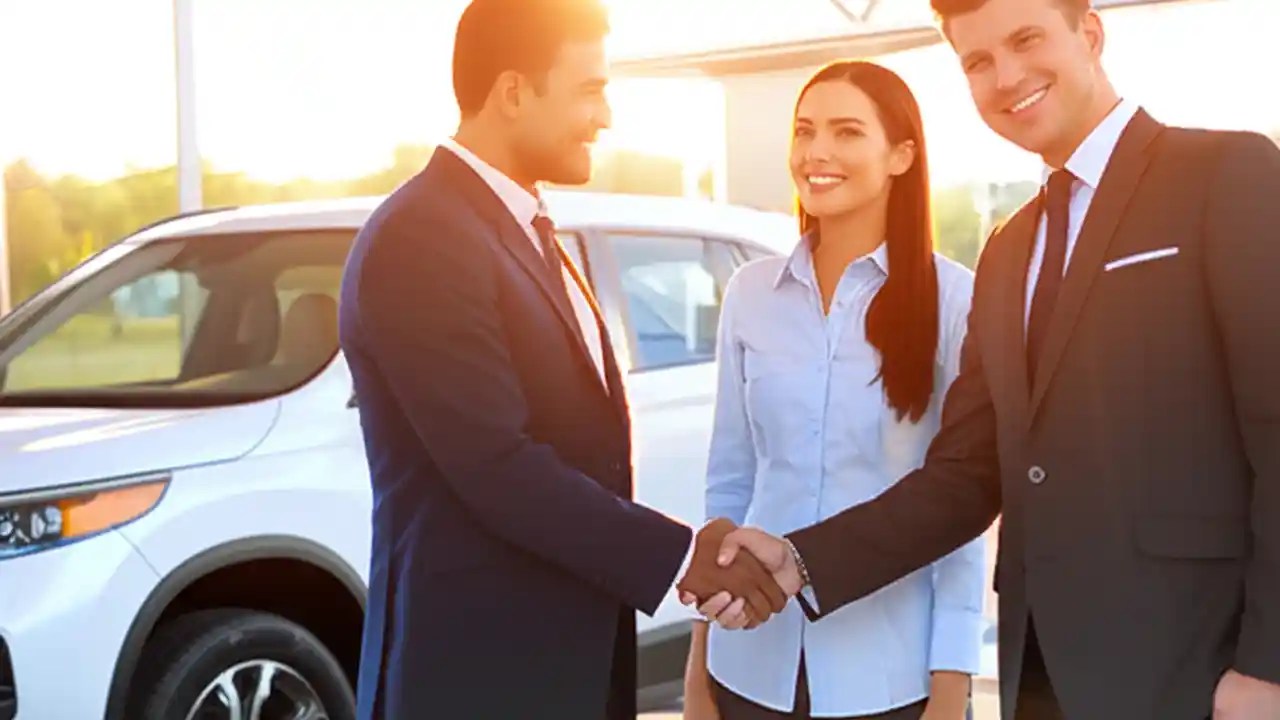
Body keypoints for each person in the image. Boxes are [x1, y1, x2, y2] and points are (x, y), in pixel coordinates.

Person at [682, 0, 1280, 718]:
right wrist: (802, 558)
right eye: (978, 62)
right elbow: (969, 473)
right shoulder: (1010, 247)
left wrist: (1267, 667)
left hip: (1198, 668)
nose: (1006, 77)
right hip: (1043, 672)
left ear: (1089, 33)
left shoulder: (1225, 174)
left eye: (1026, 40)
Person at [337, 0, 785, 717]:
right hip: (474, 678)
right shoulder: (422, 236)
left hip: (556, 667)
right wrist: (678, 558)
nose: (605, 117)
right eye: (590, 90)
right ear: (513, 92)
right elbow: (495, 463)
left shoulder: (518, 227)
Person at [679, 61, 986, 720]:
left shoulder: (955, 300)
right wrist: (698, 662)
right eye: (805, 131)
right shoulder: (750, 294)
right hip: (749, 668)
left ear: (901, 154)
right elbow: (729, 484)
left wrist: (953, 684)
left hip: (889, 678)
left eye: (847, 132)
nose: (817, 152)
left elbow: (959, 508)